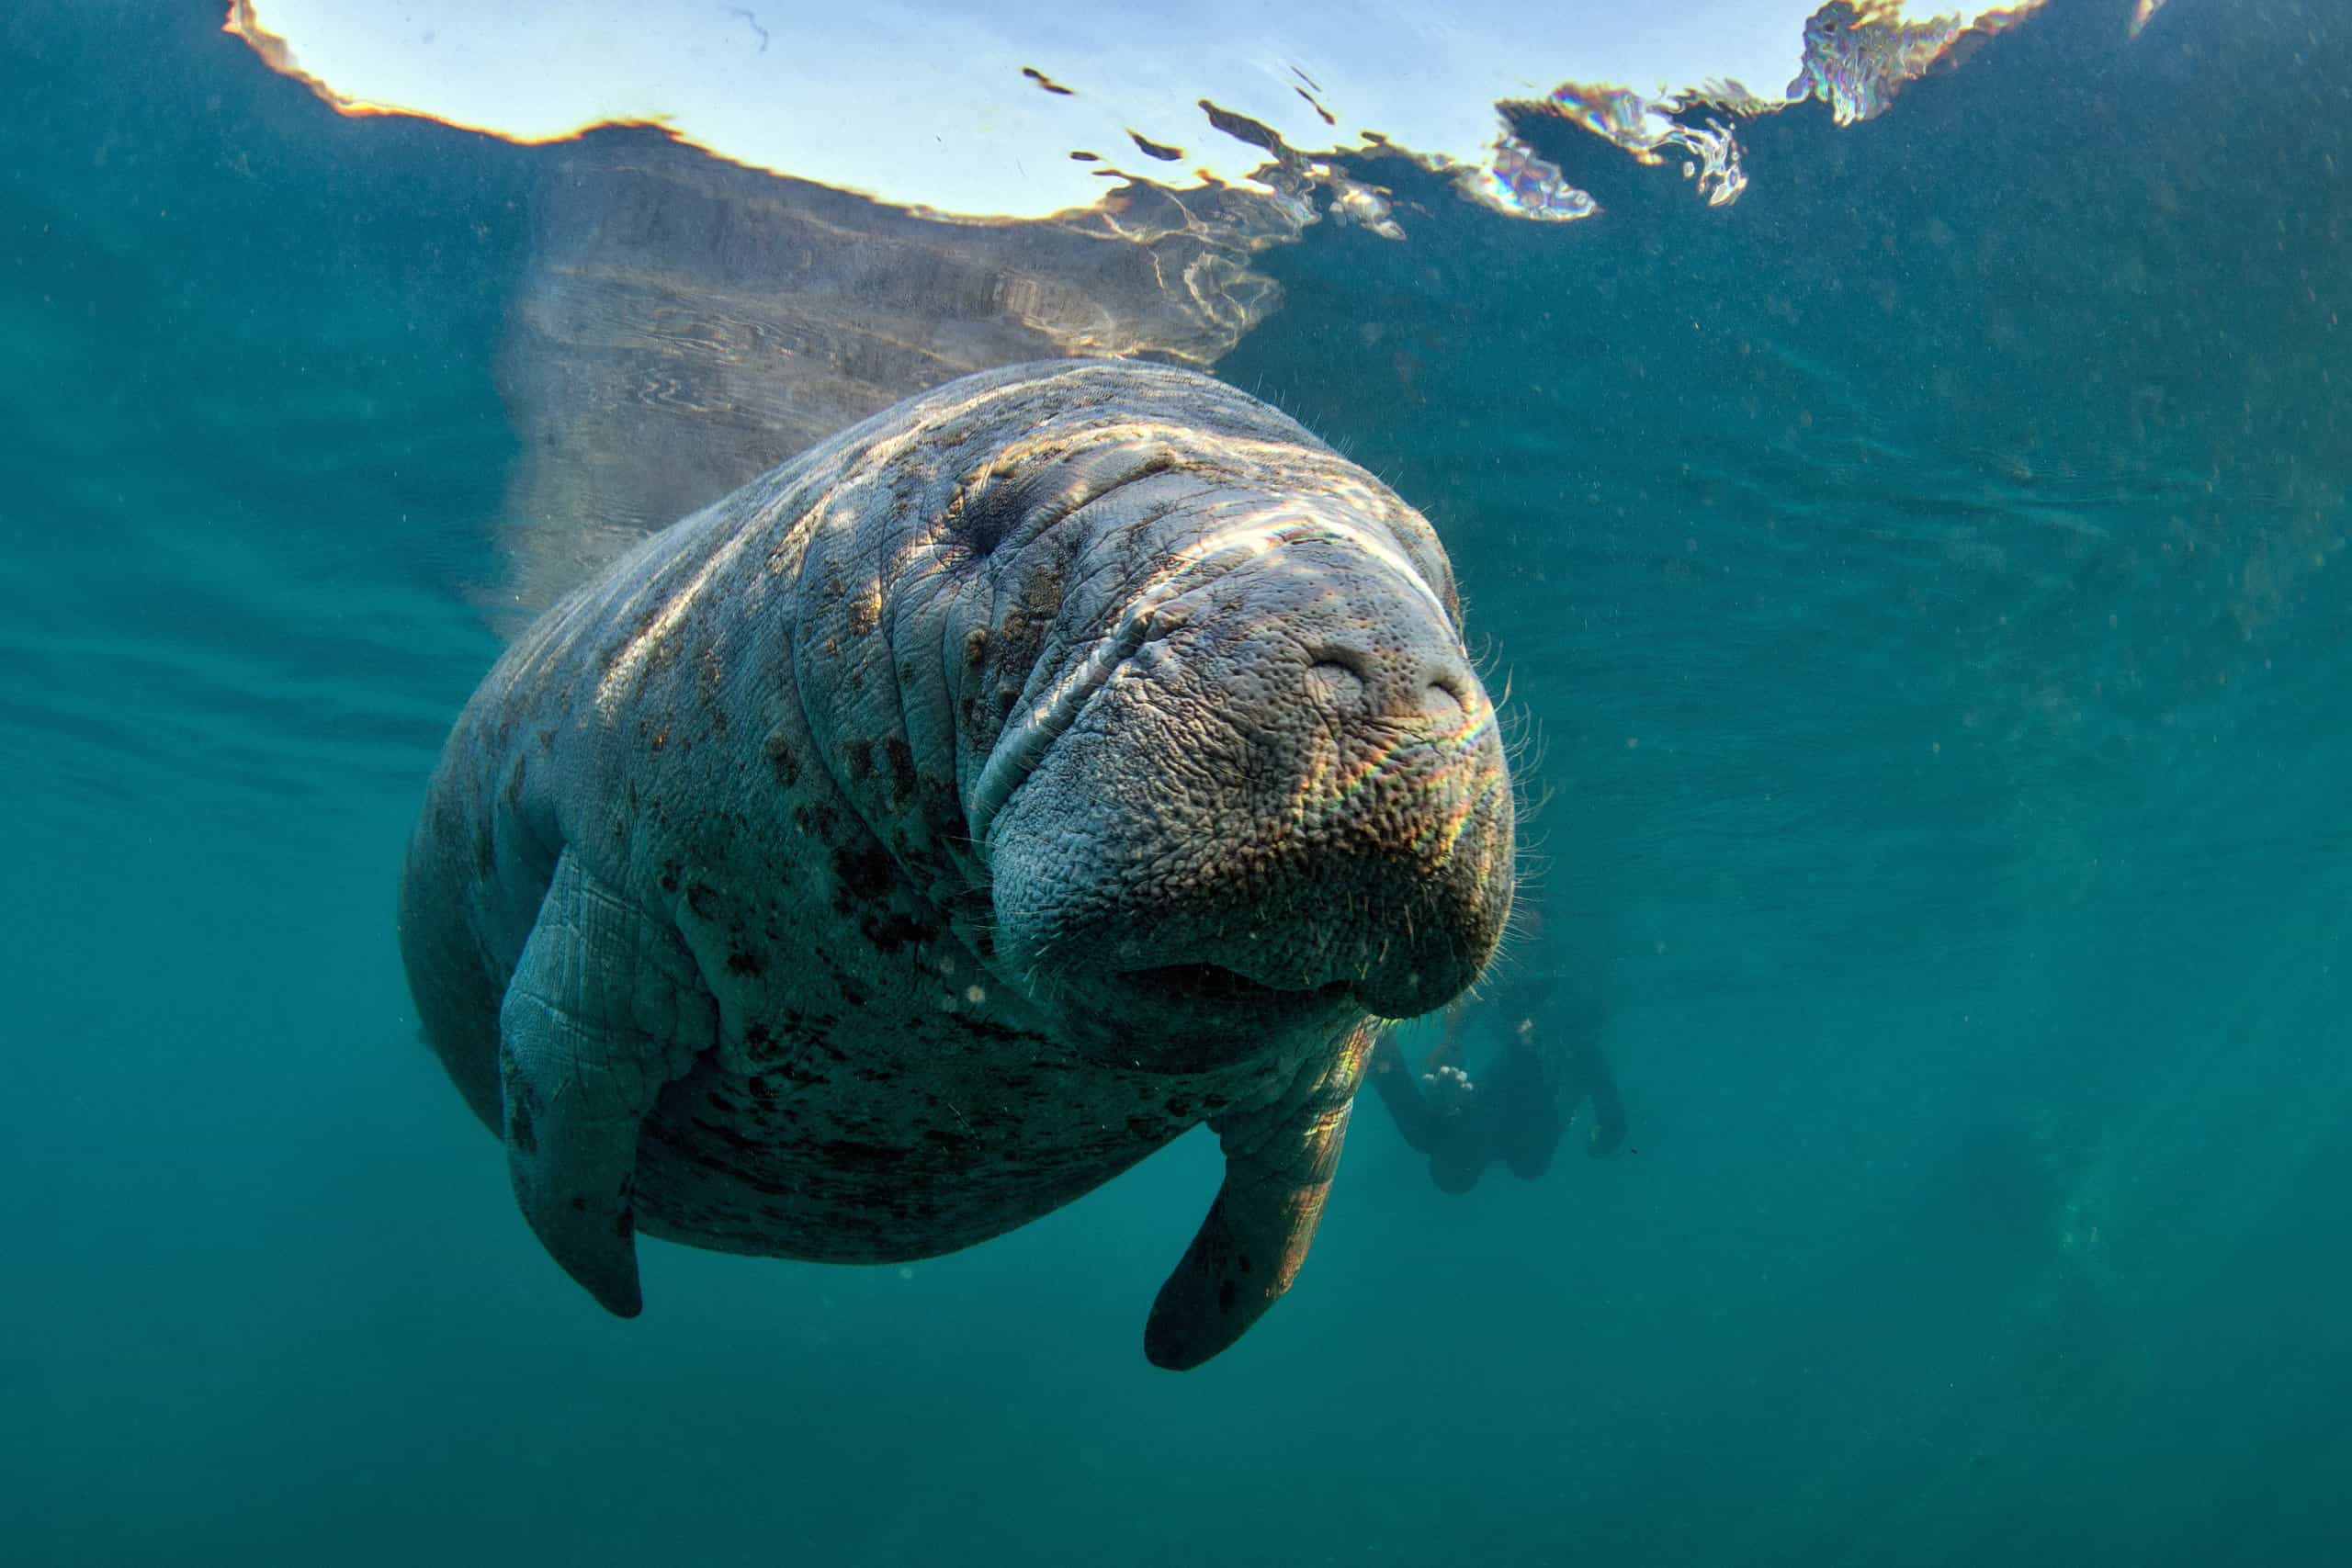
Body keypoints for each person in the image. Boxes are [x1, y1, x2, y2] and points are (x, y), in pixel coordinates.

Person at [1363, 905, 1627, 1193]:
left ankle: (1518, 942)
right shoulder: (1526, 1153)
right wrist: (1607, 1122)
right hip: (1552, 1045)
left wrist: (1448, 1046)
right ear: (1479, 1163)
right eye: (1468, 1150)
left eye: (1455, 1144)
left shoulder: (1429, 1131)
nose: (1467, 1138)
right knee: (1530, 1163)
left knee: (1511, 1011)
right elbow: (1584, 1068)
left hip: (1523, 1037)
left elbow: (1376, 1053)